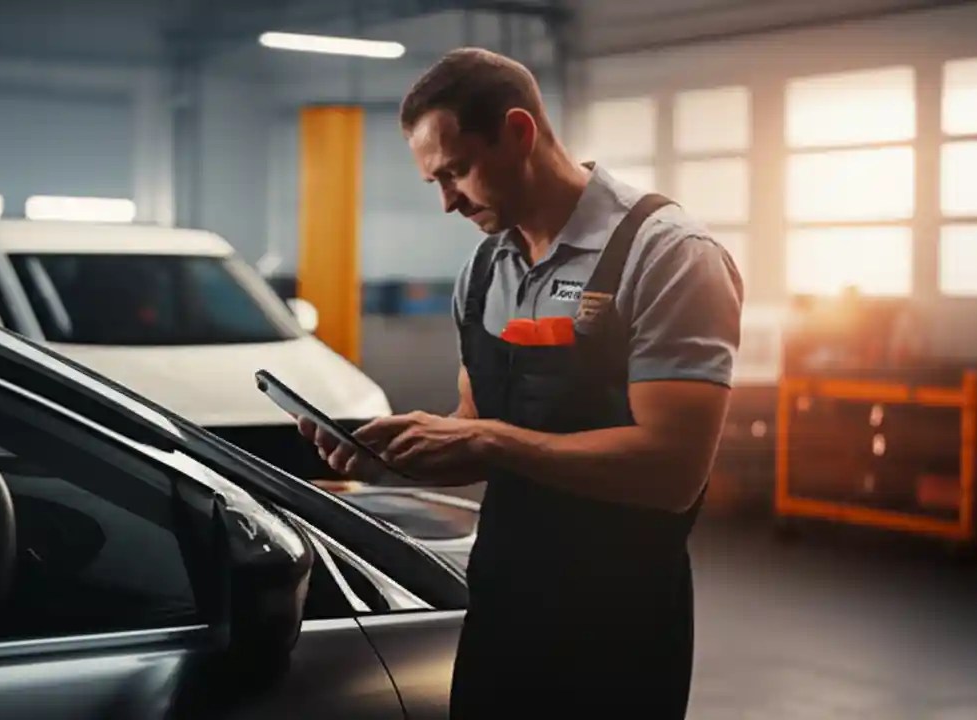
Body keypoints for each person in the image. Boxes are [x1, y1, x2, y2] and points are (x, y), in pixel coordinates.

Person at [298, 47, 743, 718]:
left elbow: (673, 469)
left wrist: (490, 441)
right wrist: (392, 457)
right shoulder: (484, 273)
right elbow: (475, 425)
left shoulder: (668, 257)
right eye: (435, 183)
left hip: (618, 628)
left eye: (458, 172)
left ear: (519, 133)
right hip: (503, 608)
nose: (449, 202)